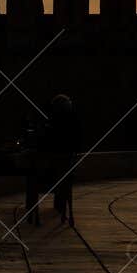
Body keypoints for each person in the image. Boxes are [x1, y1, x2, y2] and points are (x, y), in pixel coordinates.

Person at [40, 93, 81, 226]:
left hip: (59, 157)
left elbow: (49, 139)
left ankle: (62, 209)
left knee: (59, 178)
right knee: (66, 184)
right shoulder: (72, 120)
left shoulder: (55, 120)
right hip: (68, 157)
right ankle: (65, 212)